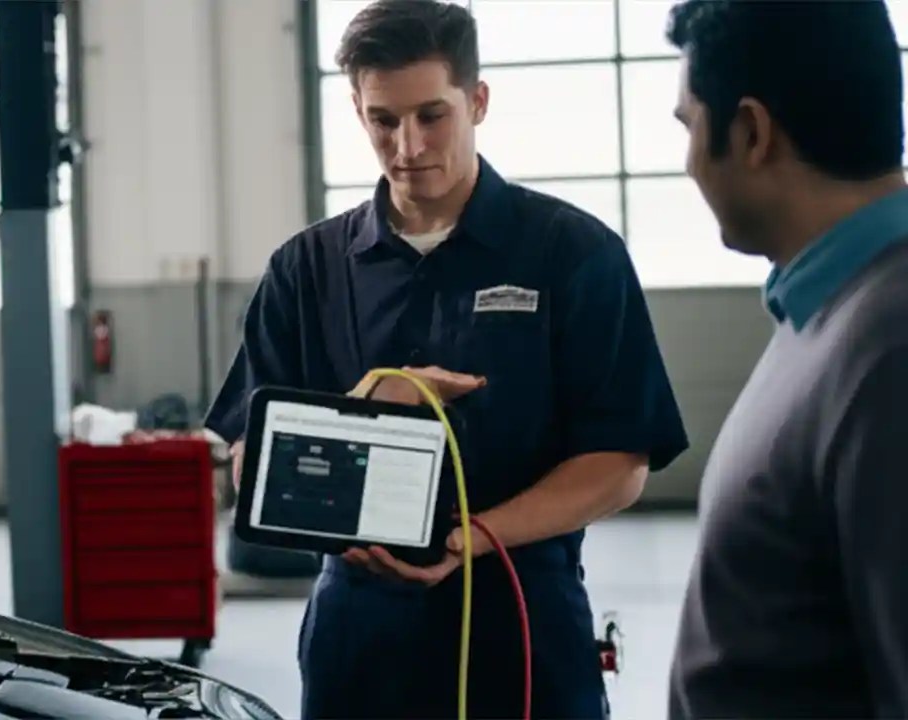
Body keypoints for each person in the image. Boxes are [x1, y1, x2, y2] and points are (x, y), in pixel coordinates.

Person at [203, 2, 689, 718]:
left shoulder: (572, 255)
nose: (408, 145)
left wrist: (470, 541)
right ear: (357, 110)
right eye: (383, 119)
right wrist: (360, 413)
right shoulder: (305, 271)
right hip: (358, 640)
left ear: (477, 101)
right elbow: (251, 464)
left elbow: (619, 465)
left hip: (524, 624)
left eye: (432, 115)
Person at [664, 2, 908, 718]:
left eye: (688, 126)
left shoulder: (892, 351)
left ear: (750, 132)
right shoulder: (830, 310)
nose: (686, 163)